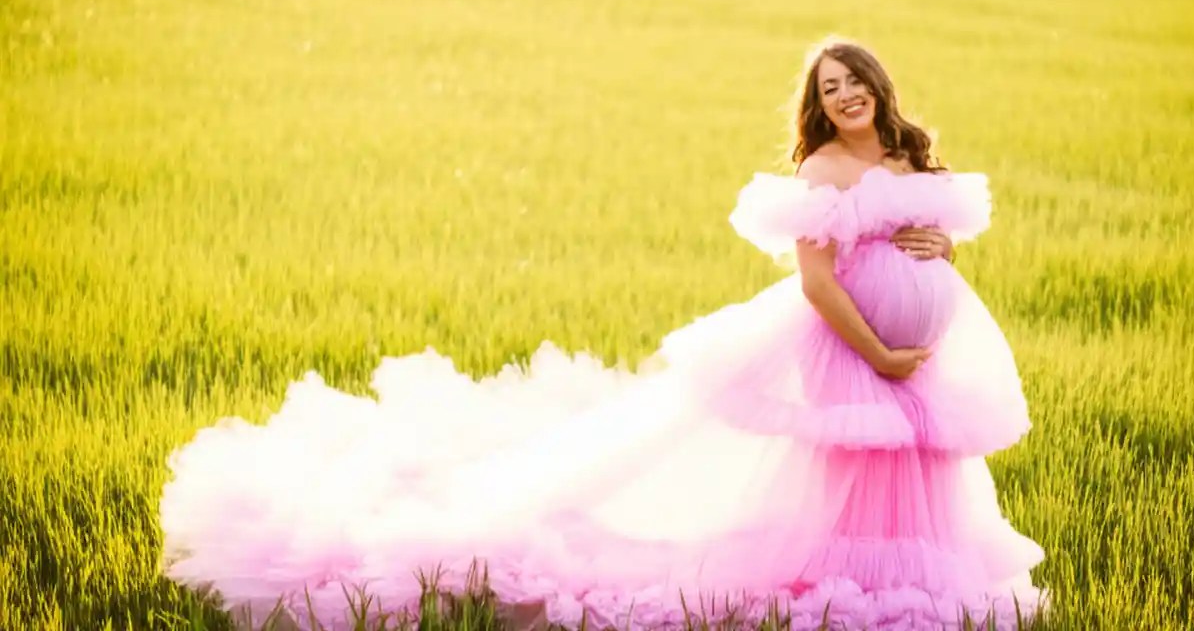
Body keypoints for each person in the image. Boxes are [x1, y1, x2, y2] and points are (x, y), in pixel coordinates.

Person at [160, 37, 1046, 630]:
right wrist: (880, 350)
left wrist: (936, 250)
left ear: (880, 89)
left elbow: (929, 246)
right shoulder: (819, 167)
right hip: (849, 350)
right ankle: (848, 591)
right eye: (829, 88)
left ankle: (913, 587)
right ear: (818, 106)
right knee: (850, 480)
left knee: (918, 476)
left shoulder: (910, 152)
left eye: (855, 82)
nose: (846, 95)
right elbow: (817, 282)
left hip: (918, 362)